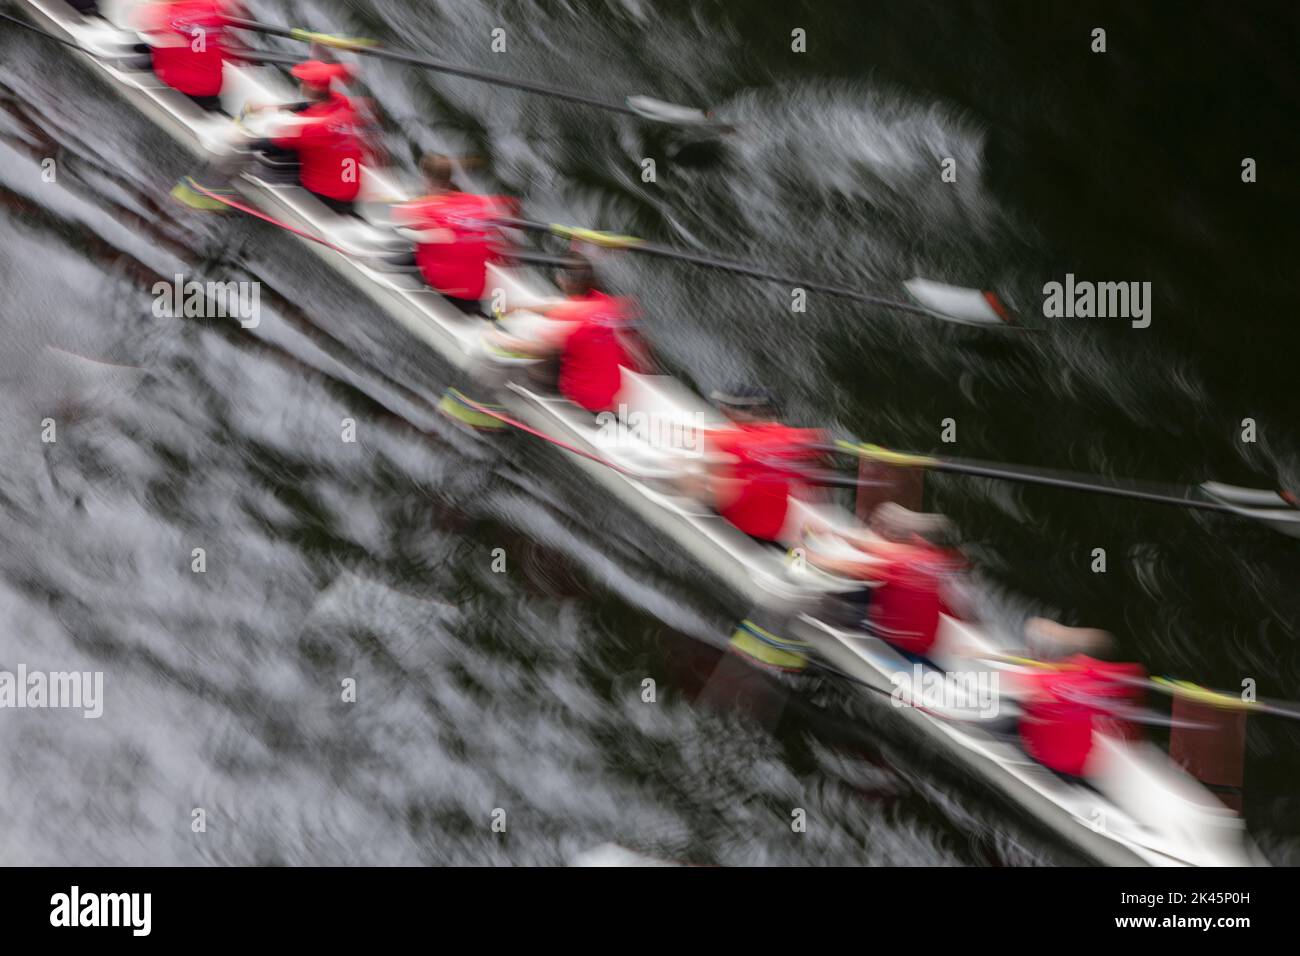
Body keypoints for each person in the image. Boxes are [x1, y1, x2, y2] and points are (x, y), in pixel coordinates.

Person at [487, 256, 650, 413]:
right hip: (618, 393)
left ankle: (521, 397)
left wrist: (496, 338)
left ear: (562, 280)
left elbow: (534, 349)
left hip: (587, 401)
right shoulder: (608, 303)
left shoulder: (570, 324)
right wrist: (520, 308)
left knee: (525, 359)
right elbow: (557, 307)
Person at [801, 500, 965, 655]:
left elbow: (844, 567)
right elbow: (879, 548)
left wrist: (805, 555)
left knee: (841, 594)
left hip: (898, 643)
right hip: (927, 642)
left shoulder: (898, 564)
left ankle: (812, 630)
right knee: (871, 590)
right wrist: (833, 533)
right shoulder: (933, 558)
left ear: (916, 538)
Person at [1014, 619, 1146, 777]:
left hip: (1054, 763)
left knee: (1017, 710)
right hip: (1089, 767)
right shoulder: (1126, 679)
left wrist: (1035, 668)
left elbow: (1025, 685)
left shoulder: (1055, 679)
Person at [391, 154, 517, 314]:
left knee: (419, 243)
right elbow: (511, 205)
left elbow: (399, 218)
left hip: (445, 287)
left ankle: (378, 265)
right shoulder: (477, 201)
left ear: (427, 179)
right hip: (476, 292)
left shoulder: (425, 206)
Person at [701, 388, 827, 544]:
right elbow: (819, 442)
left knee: (707, 469)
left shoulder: (732, 440)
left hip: (746, 526)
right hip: (778, 527)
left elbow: (692, 438)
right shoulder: (791, 436)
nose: (722, 409)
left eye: (728, 407)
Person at [250, 59, 372, 213]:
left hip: (326, 199)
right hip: (351, 192)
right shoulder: (342, 103)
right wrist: (273, 107)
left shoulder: (308, 128)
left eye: (302, 82)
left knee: (267, 156)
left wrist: (240, 139)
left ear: (313, 86)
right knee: (309, 149)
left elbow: (270, 143)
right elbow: (308, 106)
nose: (300, 85)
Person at [136, 0, 240, 111]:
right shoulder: (213, 5)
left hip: (185, 88)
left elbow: (140, 21)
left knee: (142, 48)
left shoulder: (165, 12)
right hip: (213, 89)